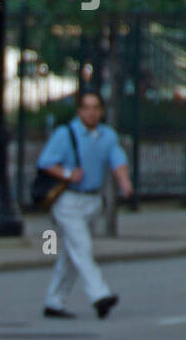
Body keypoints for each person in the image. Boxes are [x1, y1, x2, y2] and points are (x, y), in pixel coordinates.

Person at [38, 89, 133, 320]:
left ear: (101, 111)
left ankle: (54, 301)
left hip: (92, 200)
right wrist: (69, 173)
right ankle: (100, 295)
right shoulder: (66, 133)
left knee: (72, 254)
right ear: (79, 111)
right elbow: (46, 162)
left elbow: (117, 159)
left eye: (95, 108)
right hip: (68, 200)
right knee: (82, 246)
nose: (91, 113)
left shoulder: (107, 135)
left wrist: (124, 182)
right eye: (86, 108)